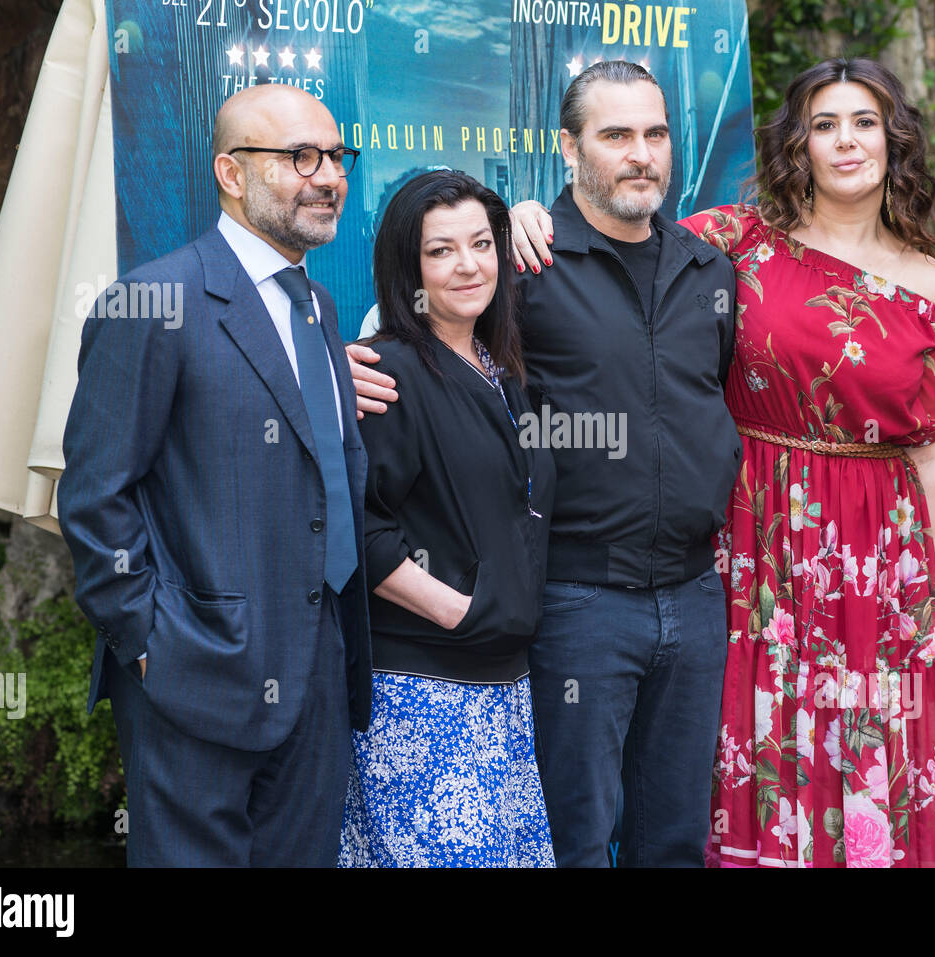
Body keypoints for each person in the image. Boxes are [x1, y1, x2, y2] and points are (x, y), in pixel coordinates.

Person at [508, 57, 935, 867]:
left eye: (865, 122)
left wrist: (932, 588)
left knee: (824, 756)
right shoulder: (735, 243)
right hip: (754, 552)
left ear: (894, 141)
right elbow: (606, 229)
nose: (847, 141)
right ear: (801, 145)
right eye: (825, 124)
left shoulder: (932, 284)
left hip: (872, 562)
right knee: (720, 774)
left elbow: (929, 447)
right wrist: (512, 212)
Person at [347, 61, 741, 867]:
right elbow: (421, 333)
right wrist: (339, 364)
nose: (642, 154)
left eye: (656, 134)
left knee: (674, 840)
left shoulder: (711, 272)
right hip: (578, 603)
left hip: (698, 597)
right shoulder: (526, 262)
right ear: (569, 147)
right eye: (616, 134)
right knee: (572, 837)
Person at [57, 85, 373, 867]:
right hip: (194, 676)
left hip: (317, 680)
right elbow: (96, 498)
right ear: (232, 174)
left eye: (336, 156)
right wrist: (148, 642)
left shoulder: (322, 309)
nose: (328, 175)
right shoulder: (151, 303)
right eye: (300, 156)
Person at [338, 170, 557, 867]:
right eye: (440, 251)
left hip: (504, 689)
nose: (468, 265)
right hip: (422, 695)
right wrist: (457, 611)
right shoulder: (387, 373)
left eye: (481, 243)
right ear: (409, 269)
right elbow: (359, 525)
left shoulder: (504, 367)